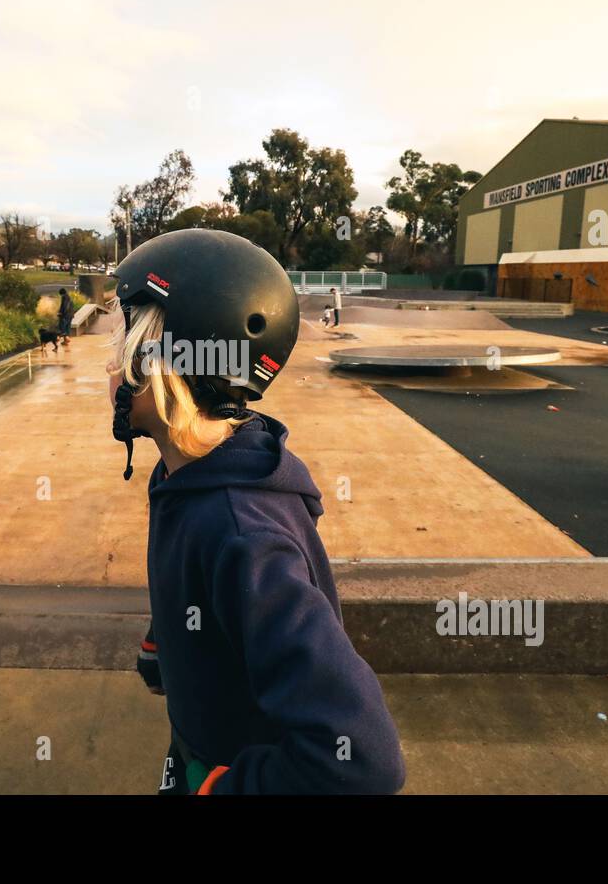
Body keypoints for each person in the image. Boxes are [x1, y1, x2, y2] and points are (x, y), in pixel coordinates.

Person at [108, 229, 405, 795]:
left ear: (164, 363)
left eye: (119, 350)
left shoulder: (239, 528)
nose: (108, 372)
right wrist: (164, 644)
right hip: (192, 740)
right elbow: (199, 583)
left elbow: (364, 761)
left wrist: (221, 787)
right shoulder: (187, 474)